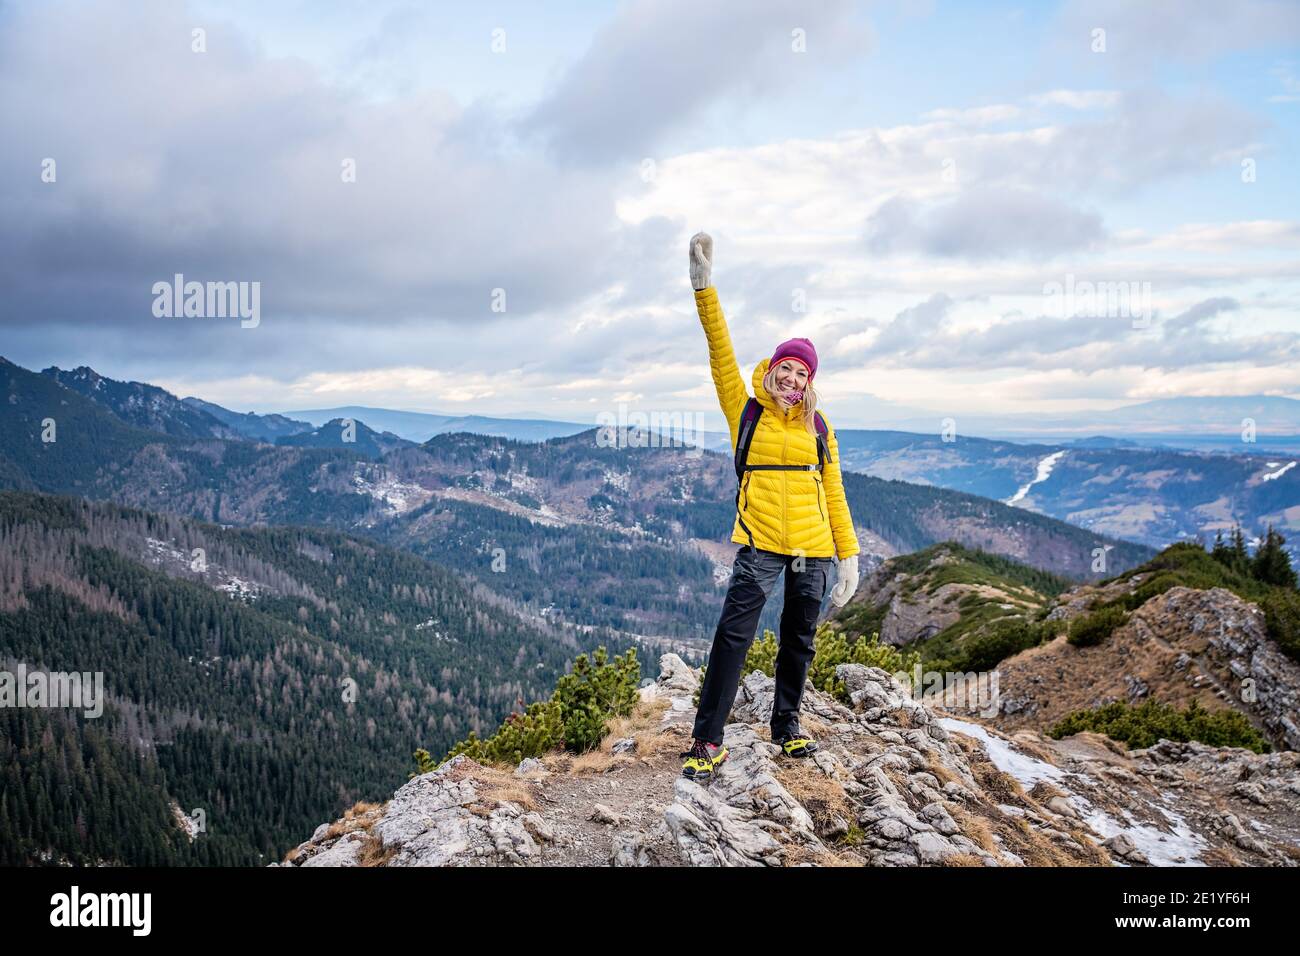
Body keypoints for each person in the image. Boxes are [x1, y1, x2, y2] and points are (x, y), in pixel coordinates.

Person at [681, 231, 860, 782]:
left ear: (809, 384)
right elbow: (720, 355)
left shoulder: (820, 428)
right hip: (759, 543)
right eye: (786, 367)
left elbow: (834, 492)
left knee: (798, 641)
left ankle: (787, 726)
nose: (791, 377)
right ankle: (708, 739)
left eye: (802, 373)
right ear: (772, 369)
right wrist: (704, 289)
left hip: (815, 548)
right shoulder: (746, 410)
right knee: (733, 637)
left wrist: (848, 555)